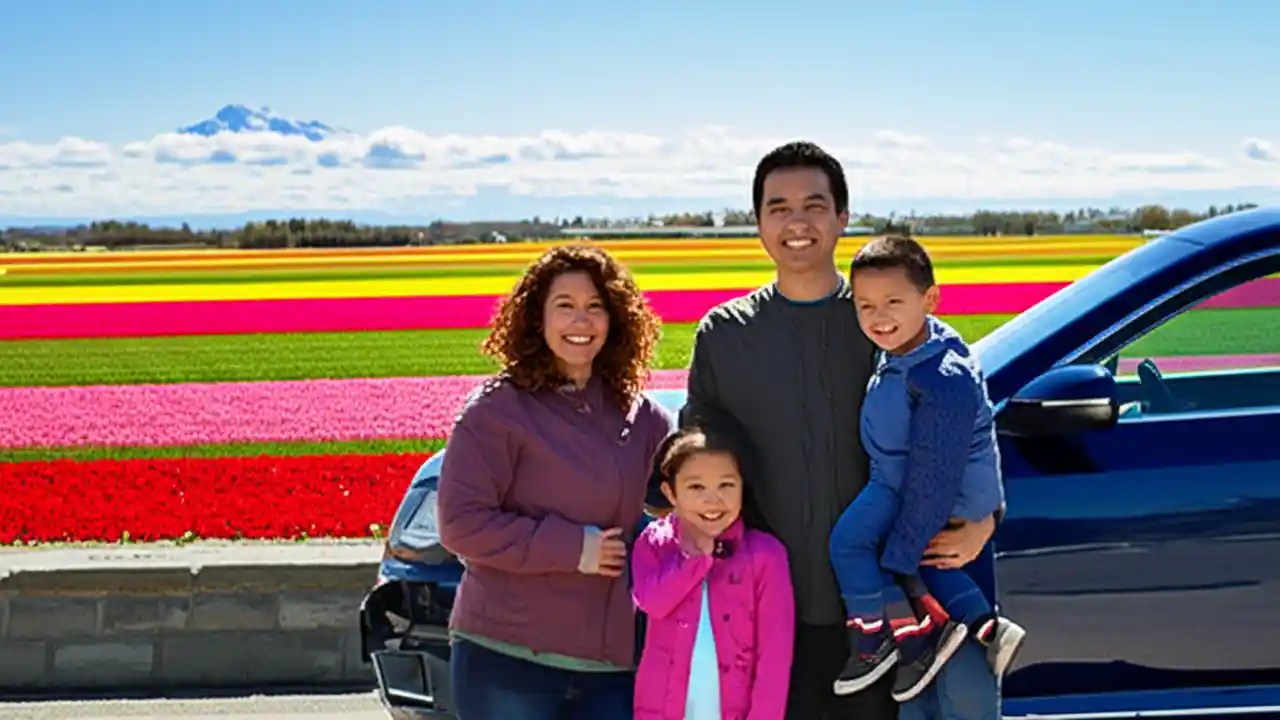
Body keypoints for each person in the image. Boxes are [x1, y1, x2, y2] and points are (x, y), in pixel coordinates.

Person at [677, 140, 1000, 719]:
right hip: (770, 606)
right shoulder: (724, 334)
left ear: (843, 217)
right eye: (778, 207)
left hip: (891, 612)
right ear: (757, 223)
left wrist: (986, 518)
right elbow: (698, 460)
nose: (796, 222)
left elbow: (967, 425)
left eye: (814, 205)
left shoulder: (890, 322)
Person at [437, 243, 674, 720]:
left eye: (595, 308)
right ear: (536, 319)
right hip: (507, 657)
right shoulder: (496, 411)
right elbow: (460, 525)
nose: (581, 323)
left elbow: (673, 511)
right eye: (564, 307)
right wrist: (574, 549)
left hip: (609, 667)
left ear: (616, 320)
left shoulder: (646, 419)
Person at [829, 234, 1027, 703]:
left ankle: (887, 636)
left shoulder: (940, 376)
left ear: (930, 298)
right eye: (865, 306)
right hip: (903, 479)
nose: (879, 317)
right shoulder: (908, 349)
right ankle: (984, 629)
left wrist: (904, 543)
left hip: (920, 488)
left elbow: (935, 475)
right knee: (924, 562)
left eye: (894, 301)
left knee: (857, 545)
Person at [631, 423, 795, 720]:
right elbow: (652, 601)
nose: (713, 500)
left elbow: (775, 654)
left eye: (726, 485)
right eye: (696, 487)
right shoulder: (654, 542)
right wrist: (695, 560)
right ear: (671, 492)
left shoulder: (767, 555)